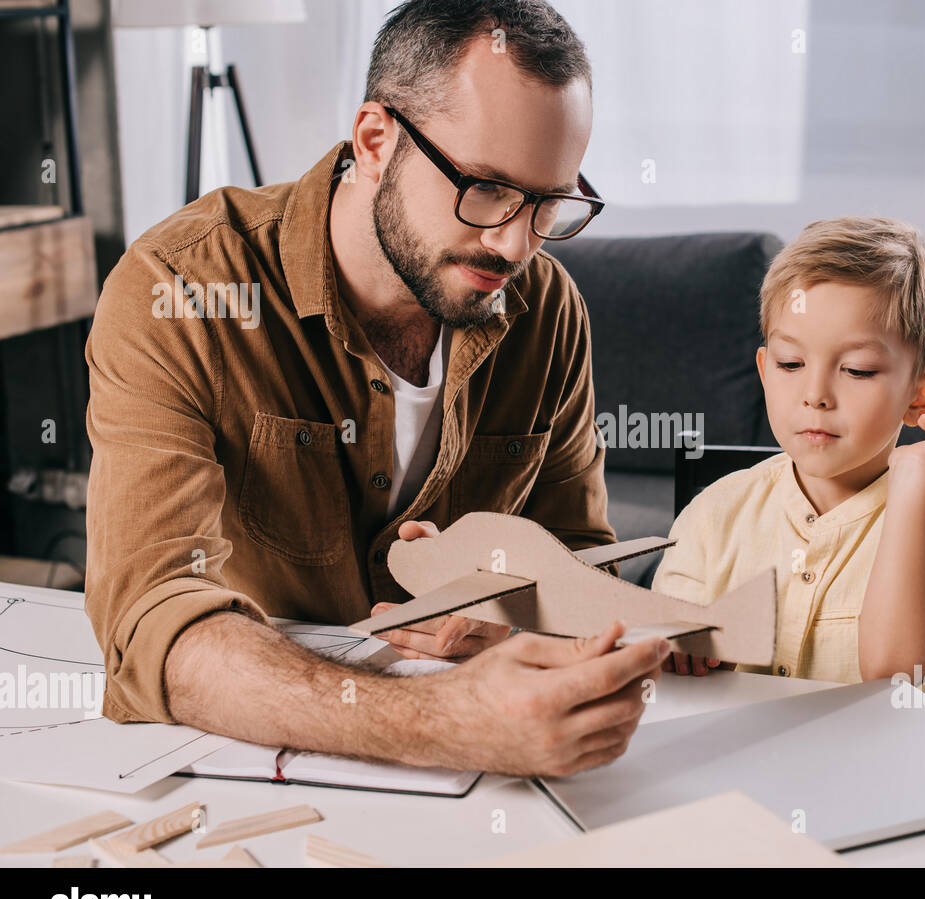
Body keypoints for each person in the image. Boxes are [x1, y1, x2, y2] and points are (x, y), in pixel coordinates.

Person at [83, 0, 669, 777]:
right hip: (239, 754)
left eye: (548, 203)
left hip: (494, 778)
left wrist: (503, 617)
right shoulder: (181, 289)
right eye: (488, 188)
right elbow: (152, 618)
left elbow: (584, 565)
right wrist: (443, 722)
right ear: (375, 141)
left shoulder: (548, 309)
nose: (514, 243)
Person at [652, 217, 925, 695]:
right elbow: (662, 666)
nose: (814, 395)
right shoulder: (715, 513)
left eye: (857, 370)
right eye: (790, 364)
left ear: (922, 395)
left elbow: (898, 677)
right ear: (764, 370)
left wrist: (913, 473)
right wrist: (676, 647)